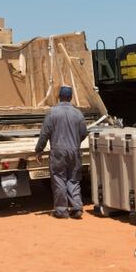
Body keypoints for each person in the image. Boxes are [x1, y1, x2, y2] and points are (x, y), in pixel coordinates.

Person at [35, 86, 88, 219]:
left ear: (59, 97)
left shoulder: (52, 112)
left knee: (59, 178)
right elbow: (83, 133)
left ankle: (61, 210)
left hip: (58, 151)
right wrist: (75, 143)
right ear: (71, 97)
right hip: (74, 150)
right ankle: (76, 208)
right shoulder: (78, 113)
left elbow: (44, 134)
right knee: (74, 179)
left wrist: (39, 150)